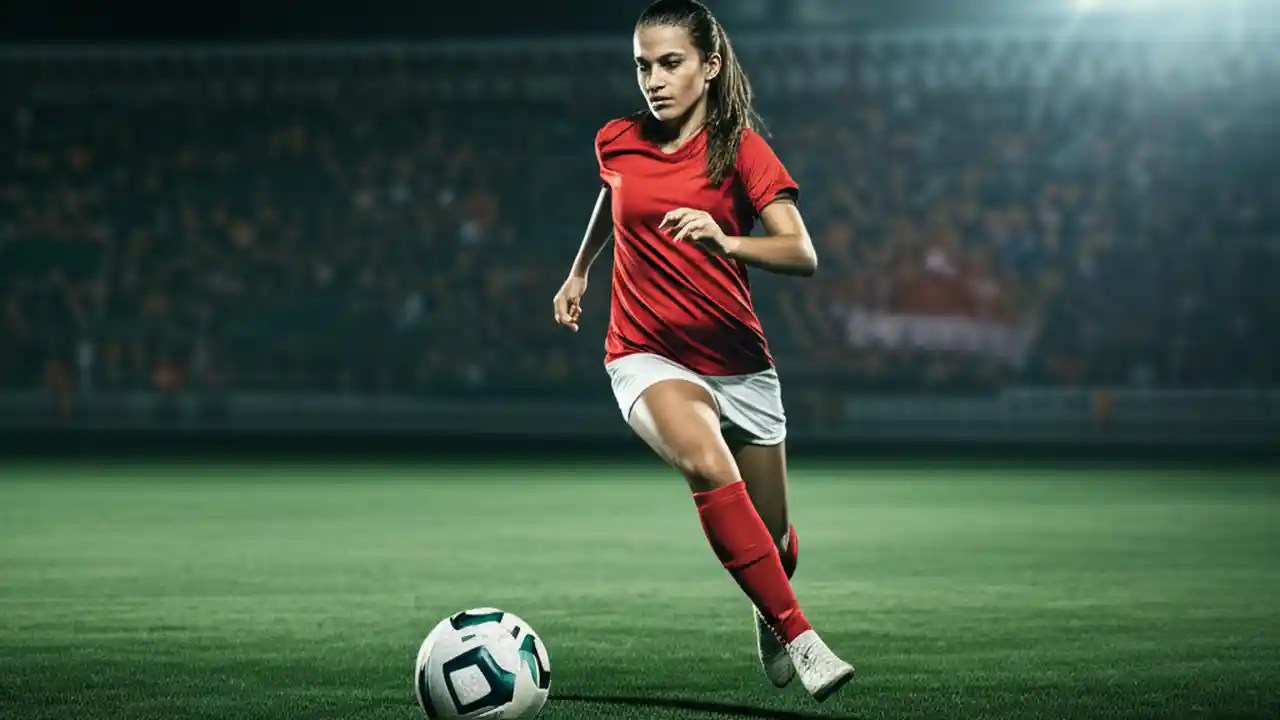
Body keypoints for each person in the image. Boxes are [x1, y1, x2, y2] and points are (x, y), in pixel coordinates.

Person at [552, 0, 854, 703]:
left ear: (710, 66)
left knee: (773, 543)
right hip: (644, 353)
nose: (652, 80)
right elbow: (614, 195)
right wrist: (580, 270)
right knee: (704, 461)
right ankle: (805, 640)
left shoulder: (741, 150)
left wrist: (726, 239)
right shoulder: (616, 139)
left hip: (740, 363)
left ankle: (766, 604)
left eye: (670, 63)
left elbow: (801, 252)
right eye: (641, 66)